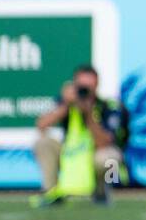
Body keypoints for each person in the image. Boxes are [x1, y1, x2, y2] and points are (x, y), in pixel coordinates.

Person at [33, 64, 129, 206]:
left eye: (88, 88)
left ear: (97, 85)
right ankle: (51, 192)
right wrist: (65, 105)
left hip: (97, 154)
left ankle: (103, 192)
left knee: (110, 158)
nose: (84, 92)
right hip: (71, 153)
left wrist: (88, 114)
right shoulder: (65, 103)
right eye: (81, 87)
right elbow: (41, 126)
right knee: (43, 143)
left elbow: (105, 143)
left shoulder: (109, 106)